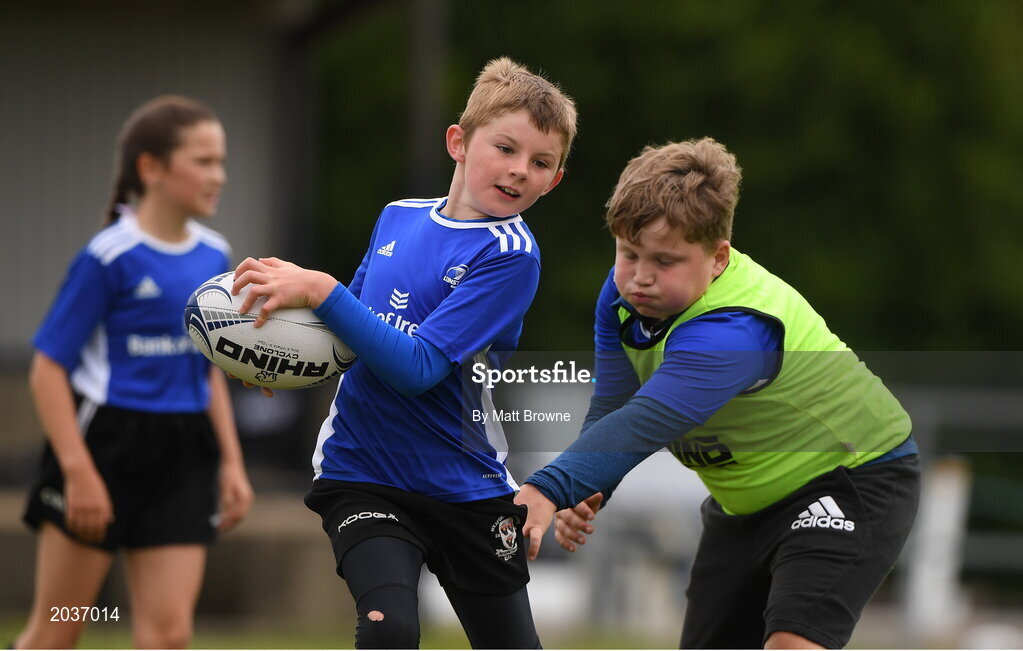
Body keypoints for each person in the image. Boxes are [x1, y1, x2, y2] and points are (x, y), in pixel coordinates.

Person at [515, 138, 920, 649]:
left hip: (848, 479)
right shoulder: (624, 297)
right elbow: (614, 403)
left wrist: (547, 487)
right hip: (741, 506)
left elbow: (644, 422)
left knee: (793, 644)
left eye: (664, 261)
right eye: (628, 252)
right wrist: (587, 488)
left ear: (718, 257)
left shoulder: (734, 331)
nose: (639, 277)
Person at [229, 57, 576, 649]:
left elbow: (417, 369)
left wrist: (321, 288)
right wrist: (282, 357)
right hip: (362, 471)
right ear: (458, 143)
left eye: (540, 163)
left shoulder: (512, 256)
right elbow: (349, 334)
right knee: (390, 630)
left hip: (465, 485)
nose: (520, 171)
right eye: (506, 148)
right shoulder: (398, 217)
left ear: (555, 180)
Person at [15, 95, 253, 649]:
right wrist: (79, 472)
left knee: (169, 636)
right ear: (151, 167)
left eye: (221, 162)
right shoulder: (107, 256)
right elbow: (47, 370)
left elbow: (212, 366)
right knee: (59, 630)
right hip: (105, 446)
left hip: (184, 451)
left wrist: (232, 462)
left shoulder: (215, 256)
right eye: (203, 161)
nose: (218, 176)